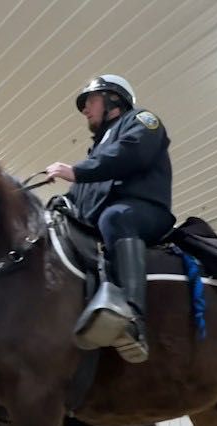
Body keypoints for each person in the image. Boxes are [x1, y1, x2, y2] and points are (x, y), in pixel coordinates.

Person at [44, 74, 173, 364]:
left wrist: (76, 171)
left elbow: (131, 153)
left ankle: (133, 318)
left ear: (114, 99)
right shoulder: (98, 147)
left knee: (116, 218)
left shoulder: (142, 120)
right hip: (103, 220)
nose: (85, 109)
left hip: (143, 211)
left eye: (91, 101)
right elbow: (83, 194)